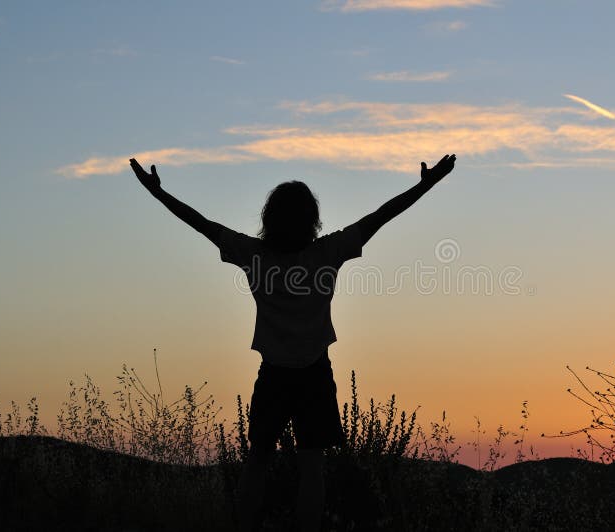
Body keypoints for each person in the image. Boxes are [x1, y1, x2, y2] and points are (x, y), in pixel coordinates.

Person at [129, 154, 456, 531]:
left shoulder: (255, 257)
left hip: (273, 376)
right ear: (311, 219)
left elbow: (201, 224)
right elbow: (381, 216)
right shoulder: (326, 253)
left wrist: (158, 193)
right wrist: (426, 185)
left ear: (269, 219)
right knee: (312, 468)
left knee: (258, 461)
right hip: (315, 374)